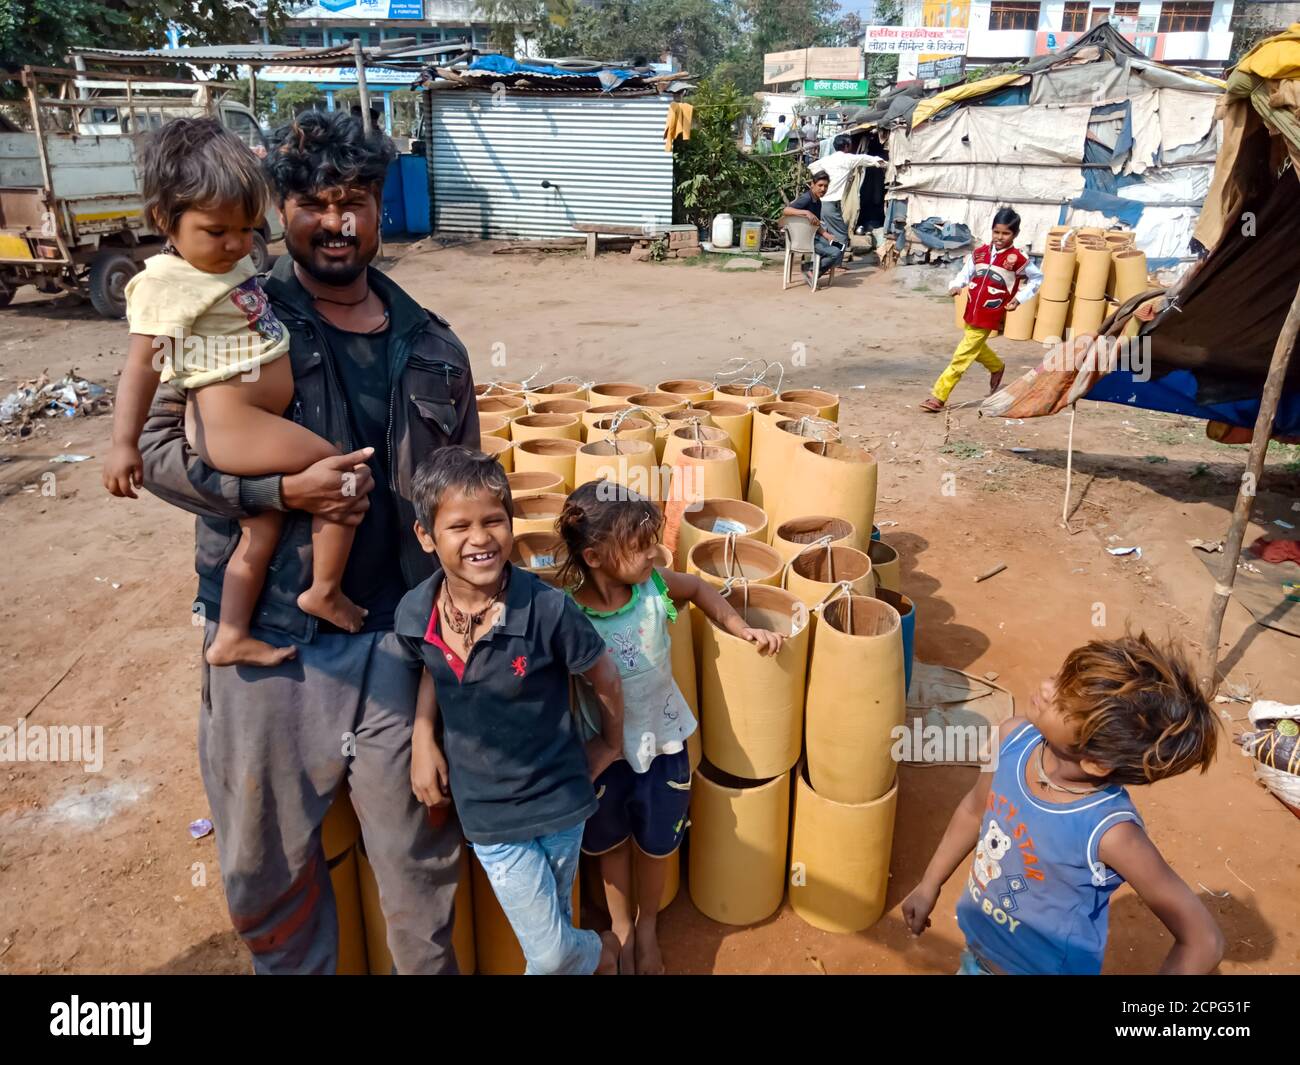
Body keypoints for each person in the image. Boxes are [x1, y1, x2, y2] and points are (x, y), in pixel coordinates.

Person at [139, 110, 478, 974]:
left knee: (418, 864)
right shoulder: (231, 312)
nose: (339, 222)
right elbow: (154, 451)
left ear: (378, 208)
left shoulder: (434, 345)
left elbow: (469, 496)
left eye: (357, 200)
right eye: (317, 202)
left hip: (396, 642)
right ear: (279, 209)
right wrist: (276, 490)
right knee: (269, 874)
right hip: (274, 652)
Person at [105, 118, 367, 669]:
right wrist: (124, 443)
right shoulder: (164, 283)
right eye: (216, 231)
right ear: (164, 221)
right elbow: (141, 368)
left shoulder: (234, 263)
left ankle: (230, 634)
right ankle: (323, 589)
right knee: (344, 478)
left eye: (247, 229)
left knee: (261, 529)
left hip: (247, 422)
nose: (235, 244)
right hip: (234, 425)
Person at [397, 449, 624, 976]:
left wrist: (611, 743)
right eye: (459, 526)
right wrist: (422, 737)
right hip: (491, 816)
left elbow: (604, 675)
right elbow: (435, 667)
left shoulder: (547, 609)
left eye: (493, 520)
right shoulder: (416, 613)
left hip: (563, 800)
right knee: (549, 952)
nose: (480, 538)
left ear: (511, 524)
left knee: (550, 930)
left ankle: (593, 957)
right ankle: (603, 953)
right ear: (426, 536)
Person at [556, 482, 784, 974]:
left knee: (656, 843)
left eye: (651, 541)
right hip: (604, 753)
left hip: (663, 742)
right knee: (611, 842)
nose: (652, 553)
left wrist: (741, 628)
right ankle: (620, 927)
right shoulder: (570, 614)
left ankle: (647, 928)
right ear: (594, 556)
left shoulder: (655, 586)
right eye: (638, 546)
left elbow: (700, 589)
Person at [901, 633, 1224, 975]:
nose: (1045, 688)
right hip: (977, 952)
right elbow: (974, 810)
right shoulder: (1012, 739)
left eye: (1066, 703)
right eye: (1061, 678)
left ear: (1096, 762)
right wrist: (929, 884)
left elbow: (1204, 941)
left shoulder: (1110, 833)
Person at [922, 207, 1042, 413]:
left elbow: (1037, 278)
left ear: (1015, 234)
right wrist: (956, 284)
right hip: (971, 309)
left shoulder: (1018, 259)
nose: (1000, 237)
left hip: (990, 313)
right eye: (997, 232)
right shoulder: (979, 254)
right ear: (991, 230)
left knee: (962, 355)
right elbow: (965, 273)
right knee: (973, 345)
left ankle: (939, 396)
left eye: (1006, 233)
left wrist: (1019, 298)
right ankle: (996, 367)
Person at [809, 133, 887, 247]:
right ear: (847, 146)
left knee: (825, 233)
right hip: (831, 205)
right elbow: (867, 159)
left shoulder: (826, 160)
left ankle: (822, 259)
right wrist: (886, 164)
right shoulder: (847, 159)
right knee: (842, 237)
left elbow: (812, 167)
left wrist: (824, 177)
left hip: (821, 203)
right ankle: (833, 261)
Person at [783, 173, 843, 284]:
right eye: (820, 185)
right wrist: (806, 212)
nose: (823, 189)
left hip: (815, 237)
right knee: (836, 252)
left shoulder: (818, 202)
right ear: (812, 185)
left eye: (825, 186)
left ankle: (810, 268)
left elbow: (816, 224)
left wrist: (827, 235)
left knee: (840, 247)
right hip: (805, 241)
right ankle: (811, 270)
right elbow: (786, 211)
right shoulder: (806, 198)